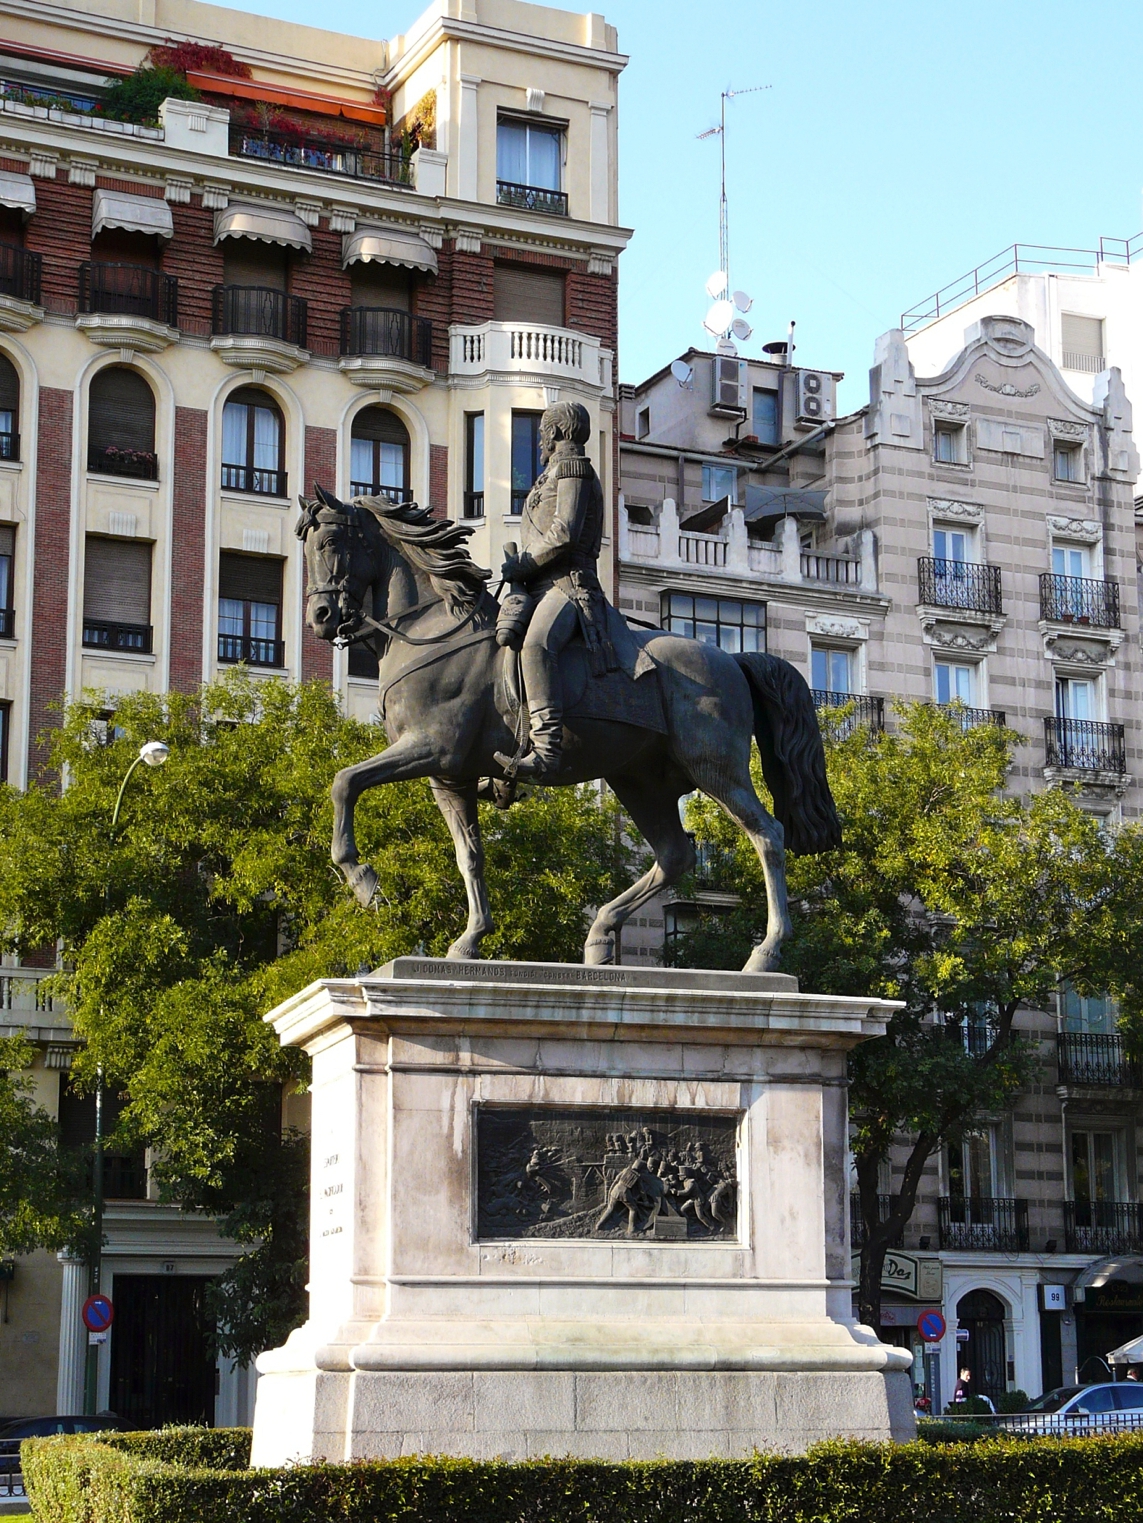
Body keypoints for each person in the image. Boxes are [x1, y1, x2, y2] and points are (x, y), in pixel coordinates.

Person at [494, 400, 606, 779]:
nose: (541, 439)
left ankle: (545, 751)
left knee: (536, 646)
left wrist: (523, 562)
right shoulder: (551, 473)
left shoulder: (573, 468)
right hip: (539, 587)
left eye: (543, 431)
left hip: (568, 585)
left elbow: (564, 533)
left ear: (555, 431)